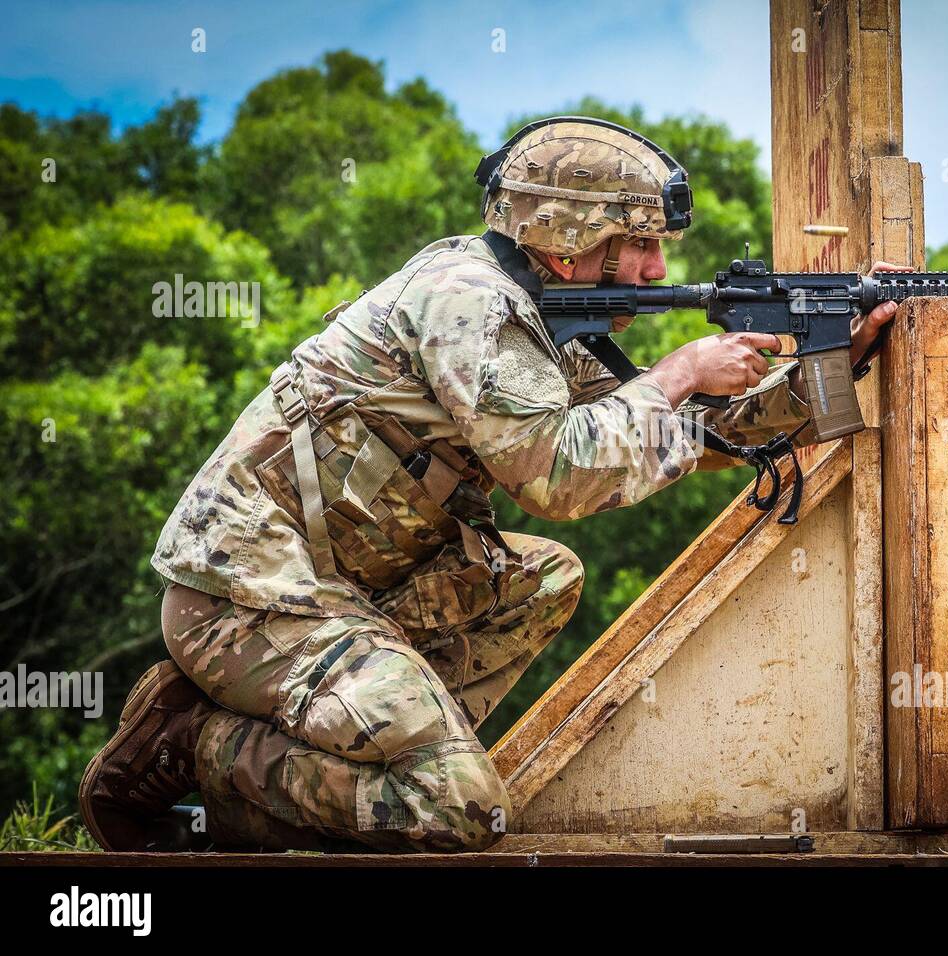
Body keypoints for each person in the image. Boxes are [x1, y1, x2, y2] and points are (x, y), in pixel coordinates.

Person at [79, 116, 901, 852]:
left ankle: (359, 752)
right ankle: (199, 745)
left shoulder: (542, 319)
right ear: (574, 233)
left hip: (341, 594)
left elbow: (666, 438)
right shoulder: (471, 302)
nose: (655, 269)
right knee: (454, 811)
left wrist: (836, 362)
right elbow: (558, 475)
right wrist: (680, 371)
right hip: (247, 597)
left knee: (540, 579)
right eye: (642, 244)